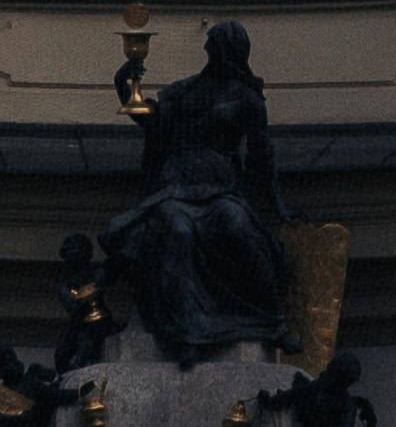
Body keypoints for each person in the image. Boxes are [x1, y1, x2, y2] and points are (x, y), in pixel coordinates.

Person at [95, 18, 294, 363]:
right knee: (176, 230)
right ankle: (185, 331)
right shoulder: (183, 92)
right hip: (176, 187)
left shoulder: (248, 100)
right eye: (215, 47)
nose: (216, 53)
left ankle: (274, 320)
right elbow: (149, 119)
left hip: (220, 190)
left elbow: (263, 160)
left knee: (237, 228)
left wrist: (279, 206)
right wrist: (124, 83)